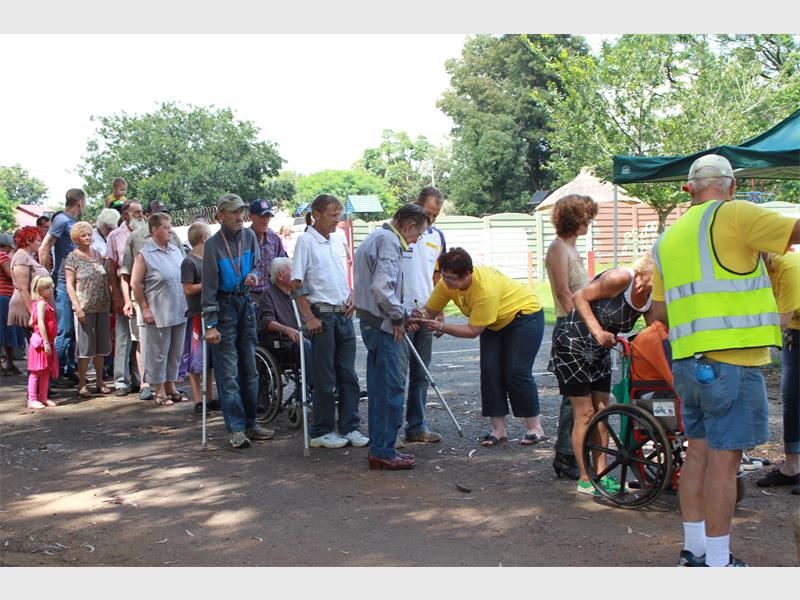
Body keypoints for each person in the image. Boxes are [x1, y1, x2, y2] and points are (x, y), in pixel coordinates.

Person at [650, 154, 800, 567]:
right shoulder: (734, 214)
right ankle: (719, 565)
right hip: (731, 362)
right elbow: (795, 232)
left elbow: (658, 312)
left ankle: (694, 552)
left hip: (687, 361)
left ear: (689, 189)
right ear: (731, 185)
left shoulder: (666, 239)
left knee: (697, 454)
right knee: (725, 460)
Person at [413, 248, 548, 448]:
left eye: (451, 278)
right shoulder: (446, 283)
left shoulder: (485, 288)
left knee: (516, 371)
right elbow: (429, 311)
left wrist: (443, 327)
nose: (447, 282)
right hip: (493, 323)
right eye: (444, 277)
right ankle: (499, 430)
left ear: (468, 273)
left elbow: (473, 330)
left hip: (523, 317)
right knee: (490, 370)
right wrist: (413, 320)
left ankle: (535, 428)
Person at [549, 254, 654, 495]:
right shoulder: (620, 278)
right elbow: (579, 297)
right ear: (647, 272)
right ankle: (586, 480)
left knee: (602, 412)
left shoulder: (650, 296)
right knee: (585, 413)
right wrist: (597, 332)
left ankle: (602, 475)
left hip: (600, 350)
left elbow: (654, 327)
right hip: (573, 343)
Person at [355, 204, 429, 470]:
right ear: (408, 227)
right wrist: (399, 315)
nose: (416, 240)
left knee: (379, 388)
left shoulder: (377, 236)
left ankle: (380, 447)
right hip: (383, 325)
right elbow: (382, 288)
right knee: (390, 387)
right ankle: (384, 450)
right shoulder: (389, 242)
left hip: (372, 322)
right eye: (417, 234)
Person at [292, 194, 366, 450]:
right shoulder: (305, 241)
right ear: (317, 214)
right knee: (325, 378)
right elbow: (296, 283)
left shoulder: (338, 239)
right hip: (321, 315)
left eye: (339, 214)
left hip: (344, 313)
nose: (338, 219)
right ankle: (321, 430)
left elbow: (347, 270)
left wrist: (354, 293)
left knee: (349, 375)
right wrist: (309, 316)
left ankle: (350, 427)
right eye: (333, 214)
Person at [202, 194, 274, 448]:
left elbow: (256, 265)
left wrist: (253, 275)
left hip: (246, 303)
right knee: (229, 371)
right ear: (220, 215)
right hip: (223, 308)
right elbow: (208, 288)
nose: (239, 217)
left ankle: (251, 423)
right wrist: (210, 324)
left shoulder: (250, 237)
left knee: (250, 368)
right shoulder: (212, 246)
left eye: (241, 211)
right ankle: (235, 428)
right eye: (233, 212)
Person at [545, 194, 598, 480]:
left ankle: (573, 451)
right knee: (573, 397)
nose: (588, 223)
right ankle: (566, 454)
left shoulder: (571, 248)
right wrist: (582, 325)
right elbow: (565, 292)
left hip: (581, 325)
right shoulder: (558, 248)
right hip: (571, 326)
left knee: (580, 396)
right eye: (585, 217)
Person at [396, 186, 447, 447]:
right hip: (402, 314)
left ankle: (416, 426)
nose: (432, 220)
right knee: (397, 373)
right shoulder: (400, 234)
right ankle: (392, 431)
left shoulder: (437, 237)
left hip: (427, 313)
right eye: (428, 213)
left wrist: (440, 312)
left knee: (422, 373)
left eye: (436, 215)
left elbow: (439, 277)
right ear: (416, 206)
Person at [120, 200, 184, 401]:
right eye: (166, 228)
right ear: (154, 230)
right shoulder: (145, 254)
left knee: (175, 351)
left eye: (170, 227)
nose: (170, 231)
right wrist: (145, 309)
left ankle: (171, 386)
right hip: (157, 310)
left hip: (177, 308)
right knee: (157, 352)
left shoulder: (174, 250)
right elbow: (135, 283)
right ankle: (158, 390)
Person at [758, 252, 800, 494]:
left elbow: (780, 320)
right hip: (795, 334)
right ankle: (792, 467)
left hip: (790, 326)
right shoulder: (761, 271)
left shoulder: (789, 266)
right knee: (792, 400)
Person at [39, 188, 86, 387]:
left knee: (72, 332)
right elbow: (44, 247)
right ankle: (48, 377)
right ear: (80, 202)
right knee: (64, 330)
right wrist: (46, 274)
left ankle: (66, 369)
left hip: (76, 281)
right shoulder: (61, 221)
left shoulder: (73, 223)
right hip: (61, 280)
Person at [64, 221, 112, 397]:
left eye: (89, 234)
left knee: (101, 347)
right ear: (77, 238)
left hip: (103, 306)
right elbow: (69, 286)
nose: (87, 238)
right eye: (83, 235)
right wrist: (78, 309)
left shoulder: (98, 255)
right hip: (85, 307)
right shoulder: (72, 257)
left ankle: (100, 381)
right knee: (85, 348)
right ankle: (82, 383)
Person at [106, 200, 145, 396]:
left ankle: (141, 379)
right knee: (123, 337)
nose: (140, 214)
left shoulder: (147, 232)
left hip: (145, 293)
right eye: (136, 211)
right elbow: (112, 268)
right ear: (126, 214)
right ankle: (121, 381)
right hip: (125, 290)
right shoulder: (115, 236)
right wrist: (117, 295)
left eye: (141, 211)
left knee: (142, 338)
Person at [180, 221, 217, 414]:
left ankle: (209, 397)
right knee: (196, 359)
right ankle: (197, 399)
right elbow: (187, 289)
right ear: (203, 237)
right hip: (196, 316)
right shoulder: (189, 262)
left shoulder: (208, 260)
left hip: (210, 314)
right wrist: (208, 284)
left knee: (208, 360)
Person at [258, 257, 312, 380]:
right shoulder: (268, 295)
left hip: (305, 337)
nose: (296, 276)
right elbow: (266, 320)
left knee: (329, 340)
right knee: (306, 346)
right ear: (280, 276)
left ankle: (340, 386)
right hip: (286, 344)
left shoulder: (298, 293)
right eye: (292, 273)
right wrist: (286, 329)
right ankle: (315, 388)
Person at [8, 226, 49, 328]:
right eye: (38, 240)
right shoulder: (21, 257)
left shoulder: (28, 256)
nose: (40, 243)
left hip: (34, 305)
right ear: (28, 241)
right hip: (25, 307)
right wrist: (34, 314)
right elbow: (23, 289)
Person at [26, 275, 58, 409]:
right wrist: (45, 341)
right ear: (39, 289)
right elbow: (39, 322)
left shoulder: (44, 303)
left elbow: (31, 321)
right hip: (40, 343)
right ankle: (32, 399)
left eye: (51, 288)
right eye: (47, 288)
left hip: (47, 342)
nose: (50, 290)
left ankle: (43, 397)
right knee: (36, 371)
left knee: (46, 371)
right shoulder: (41, 304)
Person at [248, 199, 287, 303]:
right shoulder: (243, 239)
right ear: (251, 217)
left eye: (268, 216)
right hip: (249, 296)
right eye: (261, 216)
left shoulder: (274, 238)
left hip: (271, 295)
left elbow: (283, 265)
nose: (266, 220)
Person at [1, 232, 25, 376]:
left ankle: (9, 364)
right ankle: (7, 364)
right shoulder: (2, 256)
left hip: (5, 297)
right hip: (4, 297)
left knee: (7, 331)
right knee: (5, 330)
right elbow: (11, 274)